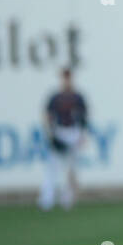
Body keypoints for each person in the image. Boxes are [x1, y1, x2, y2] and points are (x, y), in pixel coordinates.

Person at [40, 67, 89, 211]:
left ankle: (67, 199)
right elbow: (48, 116)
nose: (66, 80)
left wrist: (82, 135)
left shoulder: (77, 97)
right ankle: (46, 199)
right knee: (52, 167)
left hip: (73, 132)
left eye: (68, 77)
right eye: (64, 77)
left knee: (70, 168)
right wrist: (50, 133)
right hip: (59, 131)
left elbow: (84, 117)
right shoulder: (56, 97)